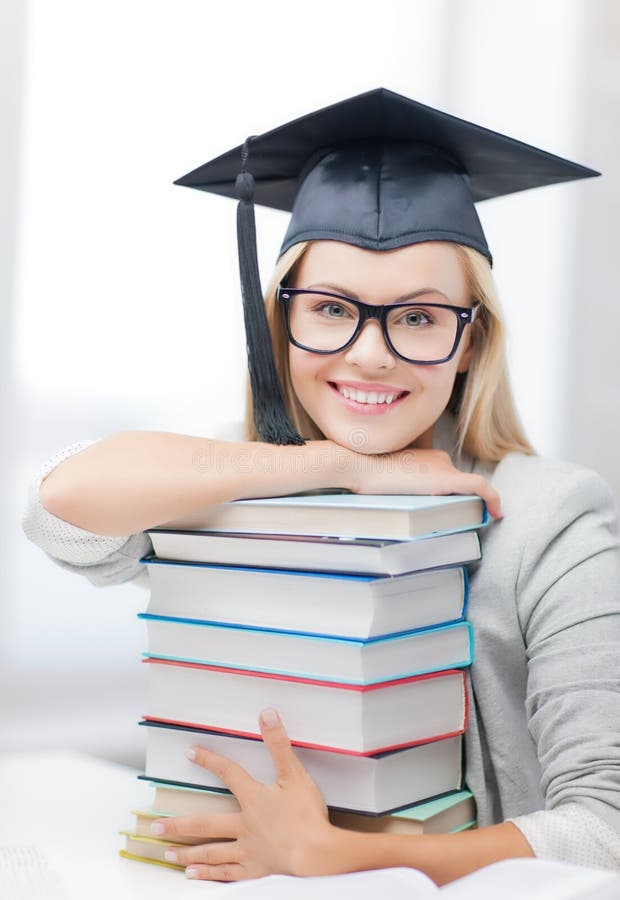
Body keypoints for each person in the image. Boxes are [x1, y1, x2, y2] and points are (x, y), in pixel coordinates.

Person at [22, 89, 620, 884]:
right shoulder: (235, 489)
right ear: (281, 325)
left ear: (472, 342)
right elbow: (61, 507)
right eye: (332, 309)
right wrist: (341, 467)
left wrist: (350, 857)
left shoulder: (553, 520)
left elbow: (607, 828)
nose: (370, 354)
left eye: (418, 318)